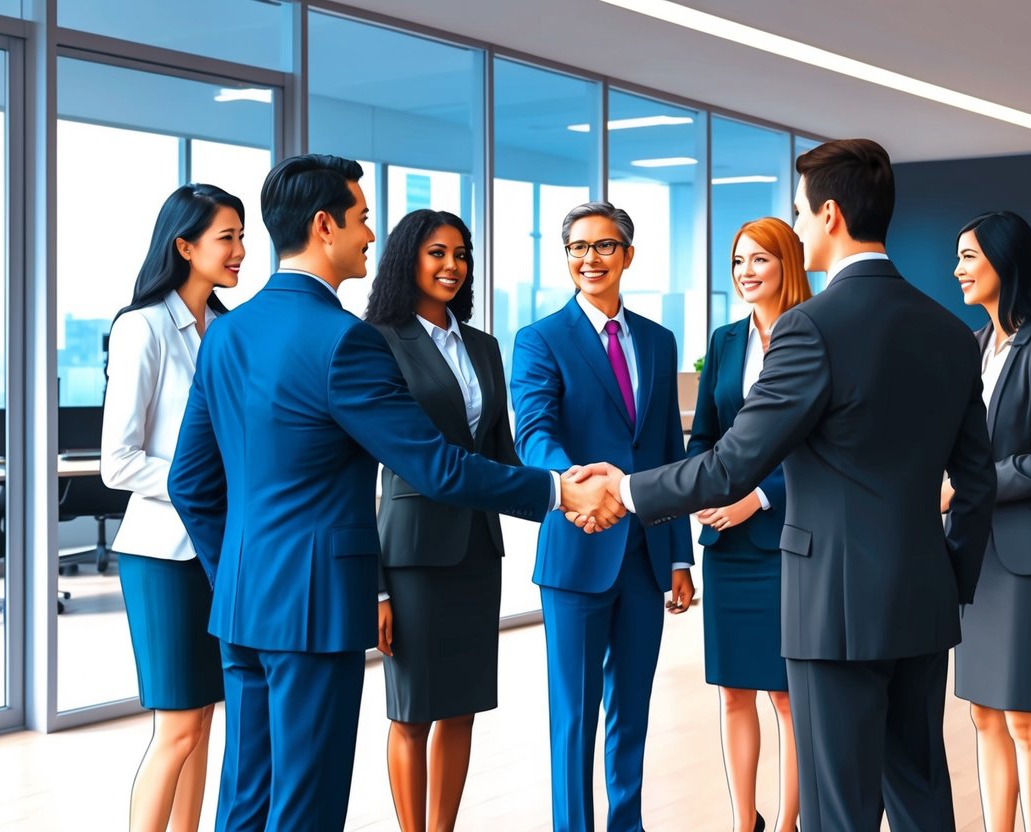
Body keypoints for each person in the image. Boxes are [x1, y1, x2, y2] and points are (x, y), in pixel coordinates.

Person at [167, 154, 620, 831]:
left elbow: (191, 484)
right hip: (315, 608)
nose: (371, 237)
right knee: (306, 805)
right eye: (362, 219)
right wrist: (559, 491)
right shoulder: (344, 341)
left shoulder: (227, 331)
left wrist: (232, 568)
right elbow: (435, 467)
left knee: (247, 798)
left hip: (241, 601)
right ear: (324, 226)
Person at [580, 139, 997, 832]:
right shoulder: (952, 333)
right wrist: (950, 579)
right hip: (923, 598)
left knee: (839, 809)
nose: (797, 227)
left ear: (829, 215)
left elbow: (731, 464)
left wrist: (625, 491)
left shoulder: (810, 327)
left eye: (798, 214)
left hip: (831, 604)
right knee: (921, 789)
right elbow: (975, 482)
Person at [510, 201, 695, 832]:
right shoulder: (539, 339)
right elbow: (532, 434)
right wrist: (578, 485)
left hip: (645, 556)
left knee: (633, 711)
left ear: (628, 255)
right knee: (575, 715)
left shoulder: (657, 340)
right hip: (578, 550)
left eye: (604, 246)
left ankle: (627, 824)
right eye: (577, 248)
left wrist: (678, 555)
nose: (590, 258)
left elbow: (668, 451)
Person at [363, 209, 516, 832]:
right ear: (408, 259)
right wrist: (373, 584)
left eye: (460, 254)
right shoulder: (377, 341)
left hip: (477, 547)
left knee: (462, 707)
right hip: (412, 557)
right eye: (436, 253)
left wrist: (574, 487)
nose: (452, 266)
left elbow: (500, 452)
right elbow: (356, 473)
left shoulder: (482, 345)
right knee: (411, 711)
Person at [101, 183, 243, 832]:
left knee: (205, 718)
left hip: (221, 550)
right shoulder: (144, 327)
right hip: (162, 554)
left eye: (242, 237)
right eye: (227, 238)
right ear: (184, 246)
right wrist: (205, 486)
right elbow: (119, 460)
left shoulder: (227, 331)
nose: (241, 251)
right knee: (178, 727)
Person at [944, 210, 1031, 832]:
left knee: (1025, 716)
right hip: (974, 557)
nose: (958, 270)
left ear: (1005, 259)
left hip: (1029, 559)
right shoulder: (973, 347)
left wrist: (963, 489)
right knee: (982, 714)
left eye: (969, 256)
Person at [689, 217, 809, 832]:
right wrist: (700, 490)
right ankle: (746, 823)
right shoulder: (727, 340)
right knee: (733, 689)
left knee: (787, 697)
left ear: (788, 263)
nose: (746, 273)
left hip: (788, 539)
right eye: (738, 261)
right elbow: (705, 436)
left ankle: (788, 824)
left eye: (760, 259)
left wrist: (755, 499)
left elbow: (820, 449)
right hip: (727, 546)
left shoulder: (815, 336)